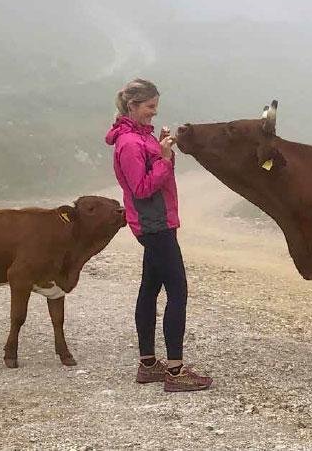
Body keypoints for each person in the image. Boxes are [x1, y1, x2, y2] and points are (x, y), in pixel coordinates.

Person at [106, 78, 213, 392]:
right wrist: (164, 159)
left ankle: (149, 364)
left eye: (156, 107)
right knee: (177, 291)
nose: (154, 113)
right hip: (155, 226)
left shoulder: (140, 137)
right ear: (133, 106)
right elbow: (141, 188)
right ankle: (176, 372)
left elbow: (159, 172)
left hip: (157, 222)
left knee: (150, 288)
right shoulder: (128, 143)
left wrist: (164, 150)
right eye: (150, 107)